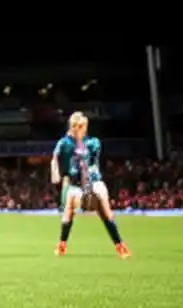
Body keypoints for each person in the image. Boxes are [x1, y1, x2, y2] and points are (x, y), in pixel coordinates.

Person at [50, 111, 131, 259]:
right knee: (68, 209)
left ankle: (120, 245)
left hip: (93, 181)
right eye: (78, 125)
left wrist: (87, 183)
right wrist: (55, 172)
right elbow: (54, 157)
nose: (82, 128)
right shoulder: (64, 143)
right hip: (75, 183)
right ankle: (62, 244)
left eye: (83, 125)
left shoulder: (93, 142)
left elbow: (91, 164)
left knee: (105, 212)